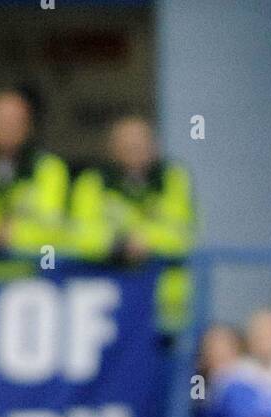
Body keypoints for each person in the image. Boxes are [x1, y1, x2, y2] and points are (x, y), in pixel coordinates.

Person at [70, 116, 195, 333]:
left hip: (166, 308)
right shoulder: (91, 183)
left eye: (141, 142)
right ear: (112, 148)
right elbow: (80, 236)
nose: (135, 148)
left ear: (154, 146)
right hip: (108, 305)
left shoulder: (174, 179)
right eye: (127, 144)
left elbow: (183, 234)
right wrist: (119, 244)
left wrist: (147, 240)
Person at [0, 89, 70, 260]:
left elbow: (54, 230)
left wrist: (11, 234)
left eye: (14, 121)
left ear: (29, 127)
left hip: (31, 274)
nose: (6, 128)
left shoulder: (49, 169)